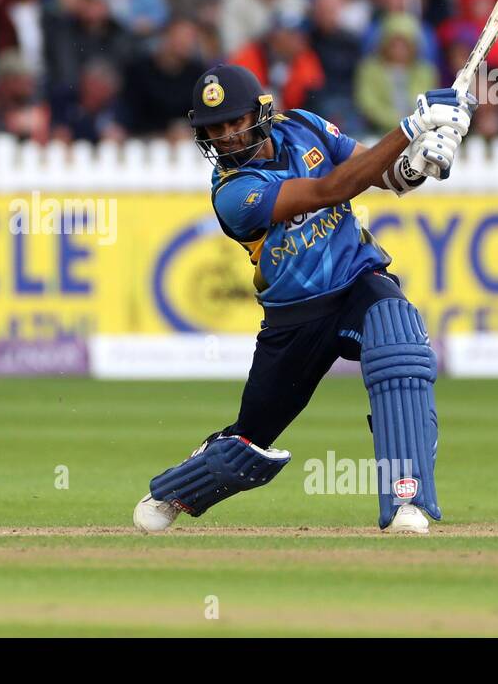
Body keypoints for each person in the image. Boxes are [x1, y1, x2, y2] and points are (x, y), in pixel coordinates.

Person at [133, 63, 472, 534]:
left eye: (235, 121)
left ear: (262, 112)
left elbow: (386, 178)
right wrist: (411, 127)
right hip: (294, 316)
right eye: (215, 128)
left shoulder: (306, 127)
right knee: (250, 442)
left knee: (400, 342)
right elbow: (330, 189)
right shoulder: (233, 192)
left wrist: (420, 161)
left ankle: (405, 501)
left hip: (357, 278)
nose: (228, 136)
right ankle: (177, 490)